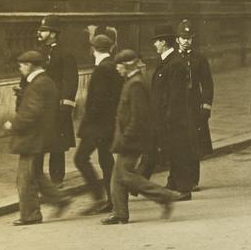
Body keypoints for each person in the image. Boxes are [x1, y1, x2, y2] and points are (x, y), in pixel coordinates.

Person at [103, 50, 182, 224]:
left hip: (132, 139)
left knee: (124, 175)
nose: (117, 69)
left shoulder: (136, 84)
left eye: (119, 66)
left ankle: (164, 196)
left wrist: (127, 137)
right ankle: (120, 213)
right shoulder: (132, 81)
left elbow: (138, 117)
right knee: (117, 176)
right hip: (130, 138)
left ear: (127, 65)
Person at [6, 50, 71, 225]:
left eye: (21, 65)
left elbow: (31, 112)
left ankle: (30, 214)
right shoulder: (44, 81)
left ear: (29, 65)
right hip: (40, 135)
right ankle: (59, 200)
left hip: (32, 137)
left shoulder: (38, 84)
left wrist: (14, 125)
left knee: (25, 178)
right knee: (35, 173)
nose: (20, 68)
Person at [148, 23, 196, 199]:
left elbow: (175, 96)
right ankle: (174, 182)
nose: (155, 45)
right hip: (167, 117)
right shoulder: (167, 62)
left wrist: (168, 118)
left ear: (165, 42)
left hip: (174, 118)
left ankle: (184, 188)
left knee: (179, 150)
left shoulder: (174, 64)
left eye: (157, 41)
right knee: (174, 150)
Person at [75, 33, 122, 214]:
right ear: (110, 48)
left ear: (93, 49)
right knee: (106, 160)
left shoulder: (102, 69)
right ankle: (111, 199)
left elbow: (99, 101)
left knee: (80, 158)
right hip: (108, 124)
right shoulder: (113, 66)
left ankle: (99, 197)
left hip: (98, 126)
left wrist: (87, 122)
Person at [36, 15, 78, 185]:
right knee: (38, 143)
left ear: (53, 33)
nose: (39, 32)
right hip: (41, 106)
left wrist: (65, 104)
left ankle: (57, 180)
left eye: (43, 30)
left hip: (56, 107)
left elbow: (70, 80)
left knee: (57, 145)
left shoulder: (64, 54)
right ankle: (37, 179)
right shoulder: (40, 52)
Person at [176, 19, 214, 191]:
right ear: (177, 39)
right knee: (177, 141)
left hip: (193, 105)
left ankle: (193, 179)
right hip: (176, 106)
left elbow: (207, 84)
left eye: (189, 38)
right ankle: (178, 177)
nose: (186, 41)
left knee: (194, 142)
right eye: (183, 38)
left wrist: (206, 106)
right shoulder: (172, 58)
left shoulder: (199, 58)